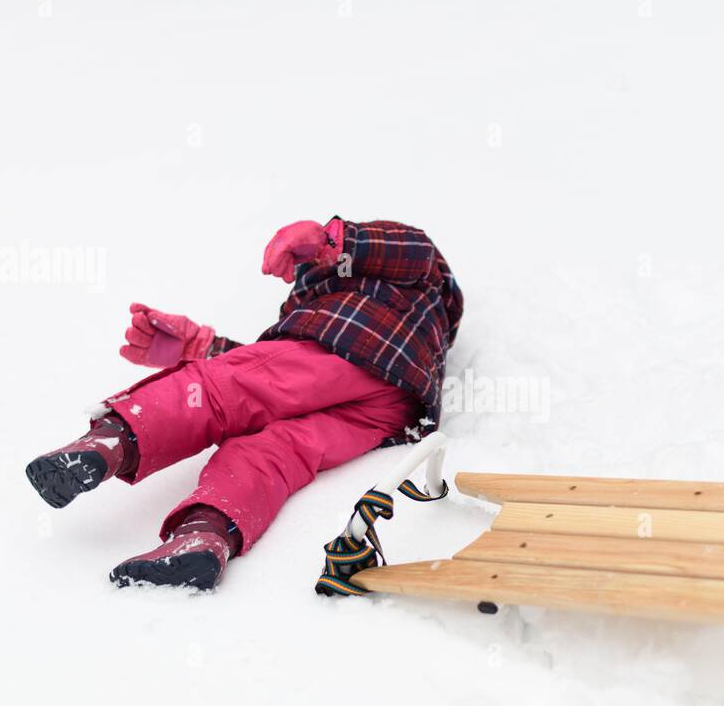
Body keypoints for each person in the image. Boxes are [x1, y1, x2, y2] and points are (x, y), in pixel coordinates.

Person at [25, 216, 462, 590]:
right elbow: (271, 371)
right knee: (272, 451)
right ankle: (205, 535)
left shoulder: (400, 275)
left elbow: (415, 249)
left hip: (353, 356)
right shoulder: (320, 311)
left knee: (220, 391)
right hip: (391, 411)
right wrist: (199, 344)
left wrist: (331, 239)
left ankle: (108, 443)